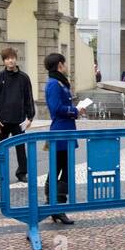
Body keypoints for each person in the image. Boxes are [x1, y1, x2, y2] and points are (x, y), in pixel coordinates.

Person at [0, 47, 35, 184]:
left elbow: (29, 98)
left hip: (19, 119)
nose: (10, 60)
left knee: (21, 148)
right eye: (7, 58)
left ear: (16, 59)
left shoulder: (24, 78)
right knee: (0, 148)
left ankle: (22, 173)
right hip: (2, 120)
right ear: (4, 61)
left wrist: (30, 117)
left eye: (12, 57)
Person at [44, 52, 78, 225]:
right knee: (57, 168)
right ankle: (54, 206)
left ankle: (57, 205)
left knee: (64, 169)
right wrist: (75, 111)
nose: (66, 67)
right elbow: (56, 108)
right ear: (59, 65)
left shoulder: (60, 83)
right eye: (64, 64)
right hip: (60, 131)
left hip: (67, 130)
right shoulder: (53, 84)